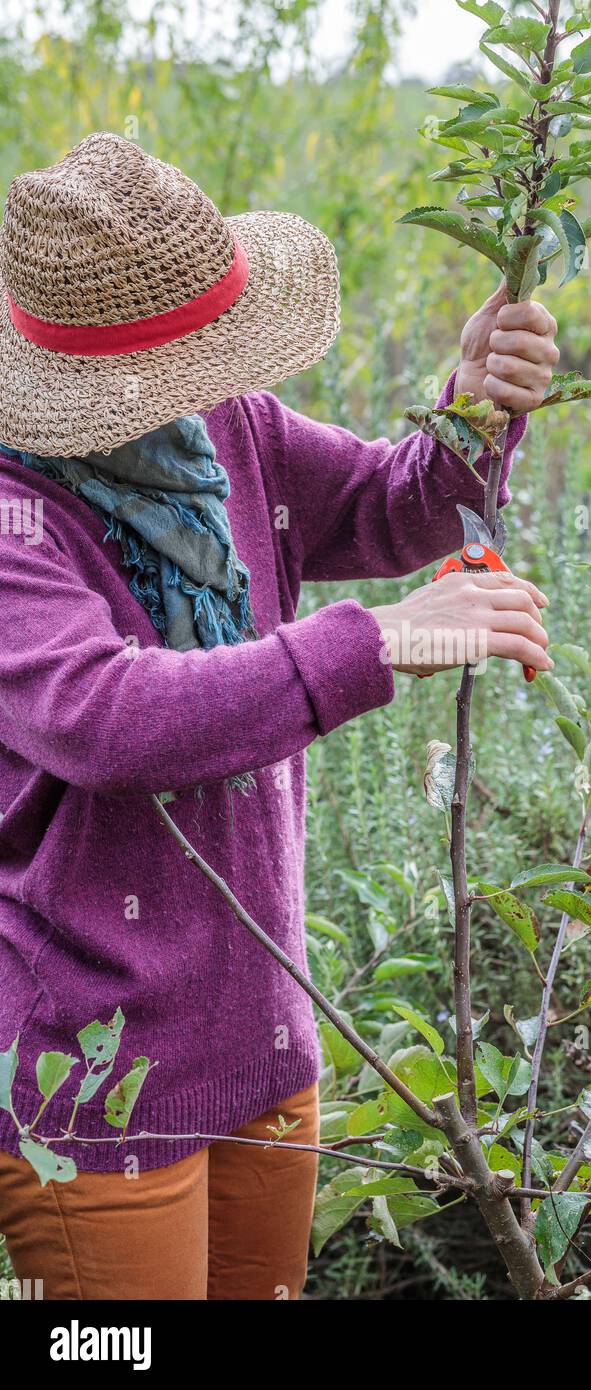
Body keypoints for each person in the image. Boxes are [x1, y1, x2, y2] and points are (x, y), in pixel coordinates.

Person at [0, 132, 558, 1300]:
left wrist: (471, 410)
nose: (220, 377)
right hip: (94, 1077)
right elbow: (110, 716)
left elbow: (384, 502)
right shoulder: (16, 516)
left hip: (259, 1033)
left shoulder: (221, 431)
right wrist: (381, 639)